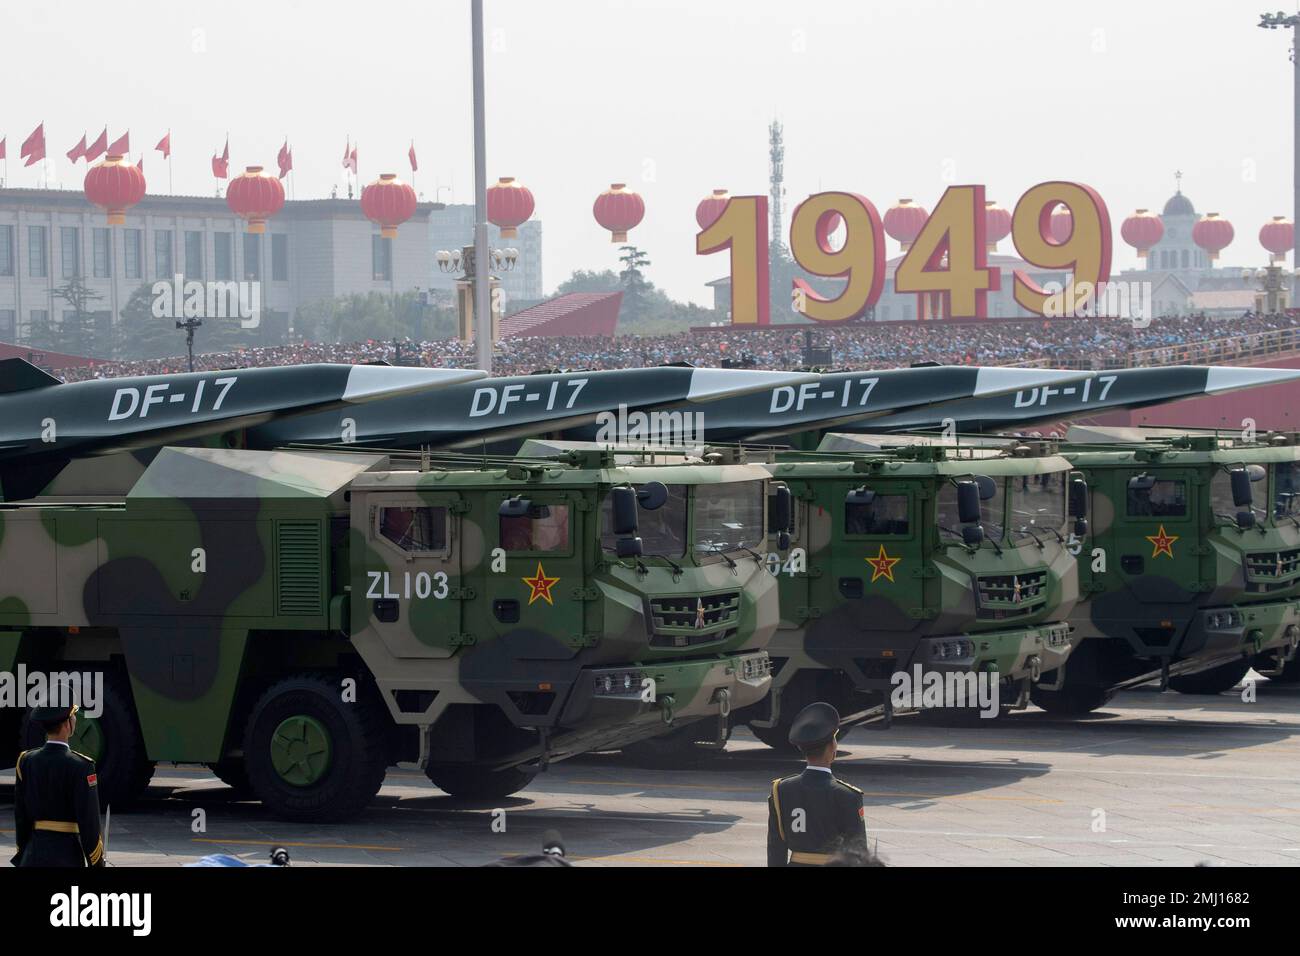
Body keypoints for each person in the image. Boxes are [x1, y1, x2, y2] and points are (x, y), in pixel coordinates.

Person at [766, 702, 867, 867]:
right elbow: (858, 853)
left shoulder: (781, 789)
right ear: (832, 747)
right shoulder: (847, 795)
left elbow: (776, 847)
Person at [11, 704, 106, 868]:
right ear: (67, 723)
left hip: (33, 855)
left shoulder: (26, 761)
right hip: (67, 857)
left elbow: (21, 816)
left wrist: (23, 854)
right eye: (74, 716)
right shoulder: (82, 766)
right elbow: (89, 823)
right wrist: (97, 864)